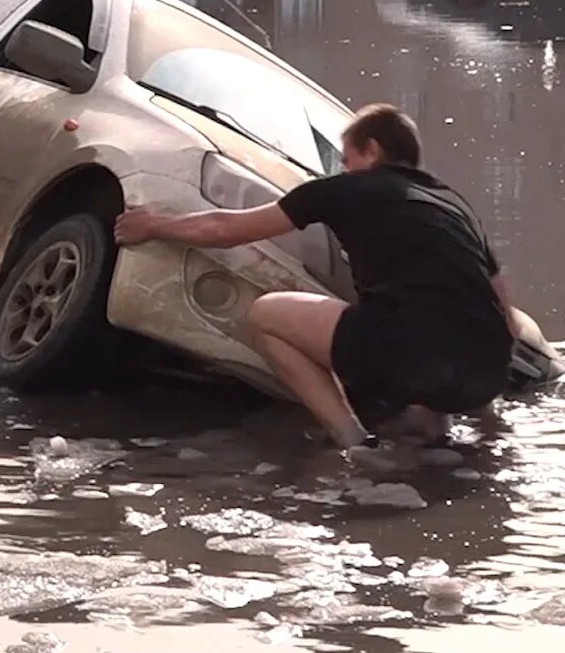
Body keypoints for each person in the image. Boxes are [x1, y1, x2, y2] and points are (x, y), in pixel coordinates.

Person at [114, 104, 515, 450]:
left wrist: (153, 226)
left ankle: (353, 442)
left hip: (412, 355)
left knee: (267, 316)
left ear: (371, 150)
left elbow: (225, 229)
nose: (343, 167)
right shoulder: (453, 203)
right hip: (488, 371)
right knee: (429, 354)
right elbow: (502, 304)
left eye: (346, 158)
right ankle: (438, 437)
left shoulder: (343, 190)